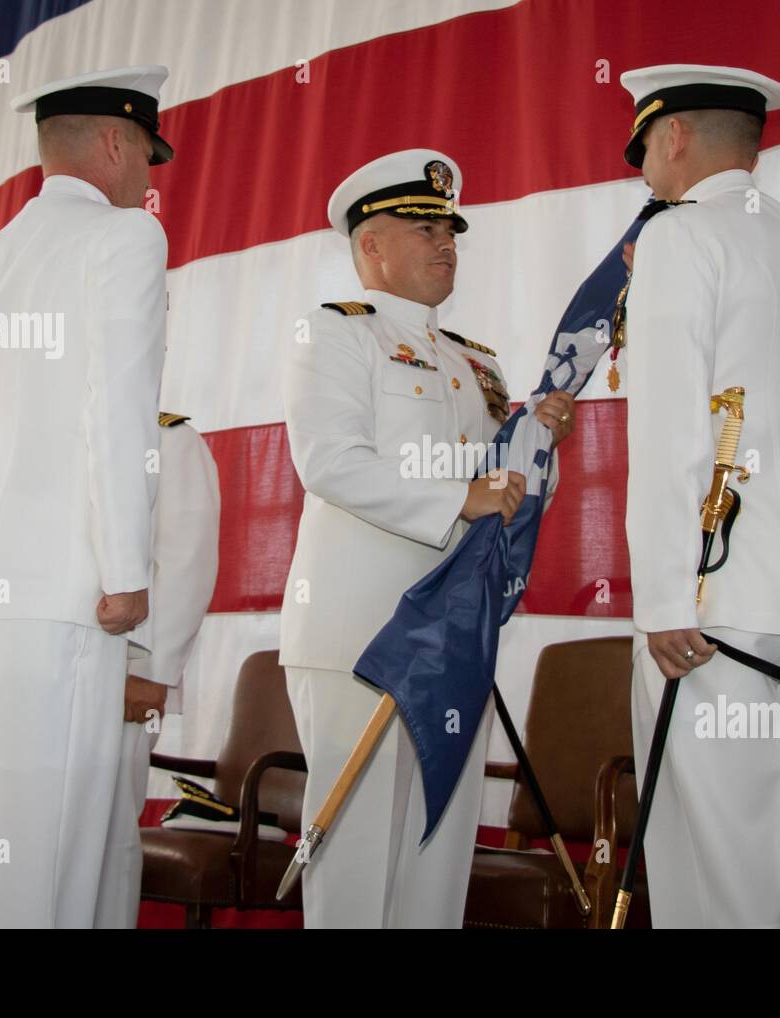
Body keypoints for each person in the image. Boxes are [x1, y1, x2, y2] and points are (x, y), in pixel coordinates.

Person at [279, 149, 575, 928]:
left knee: (436, 864)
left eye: (450, 227)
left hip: (454, 636)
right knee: (356, 863)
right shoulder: (336, 335)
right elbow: (330, 463)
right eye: (423, 227)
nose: (446, 242)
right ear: (369, 245)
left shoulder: (477, 361)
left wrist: (536, 444)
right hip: (362, 634)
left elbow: (501, 493)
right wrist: (463, 496)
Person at [0, 65, 174, 928]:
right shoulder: (125, 237)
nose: (148, 175)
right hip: (69, 604)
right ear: (112, 141)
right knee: (53, 872)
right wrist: (125, 568)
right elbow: (118, 411)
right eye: (144, 152)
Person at [620, 64, 780, 928]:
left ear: (676, 134)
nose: (643, 167)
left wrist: (661, 594)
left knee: (716, 876)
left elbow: (671, 433)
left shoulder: (679, 237)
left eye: (644, 145)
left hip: (713, 599)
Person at [94, 412, 221, 929]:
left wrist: (154, 671)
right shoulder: (54, 431)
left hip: (122, 673)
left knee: (106, 838)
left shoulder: (170, 438)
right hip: (44, 669)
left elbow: (188, 560)